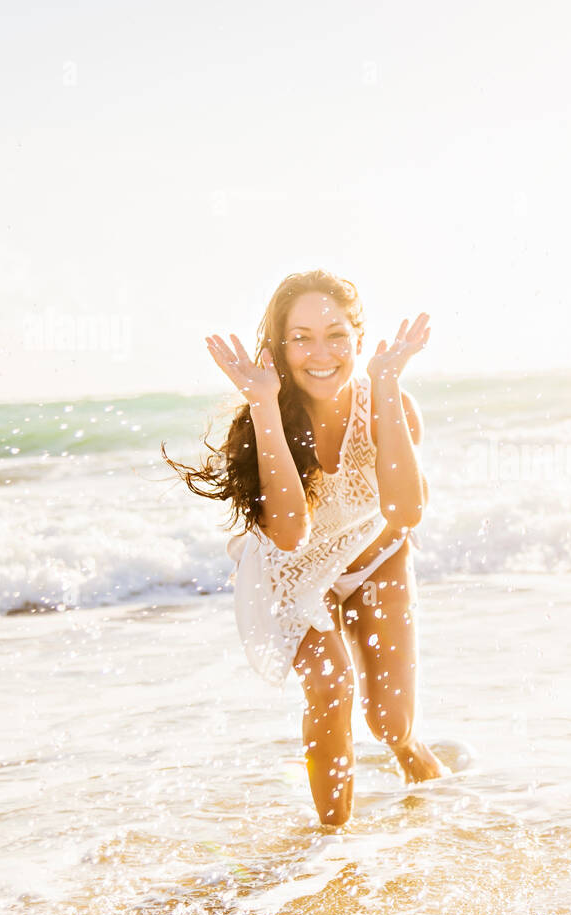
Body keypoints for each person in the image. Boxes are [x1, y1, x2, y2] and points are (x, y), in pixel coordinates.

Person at [163, 269, 447, 827]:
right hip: (292, 573)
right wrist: (264, 404)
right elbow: (290, 534)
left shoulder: (391, 400)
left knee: (393, 724)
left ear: (359, 340)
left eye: (336, 335)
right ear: (279, 347)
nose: (322, 353)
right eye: (302, 338)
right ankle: (331, 848)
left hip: (376, 555)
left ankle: (436, 800)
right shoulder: (260, 422)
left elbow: (406, 511)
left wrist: (386, 384)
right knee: (330, 682)